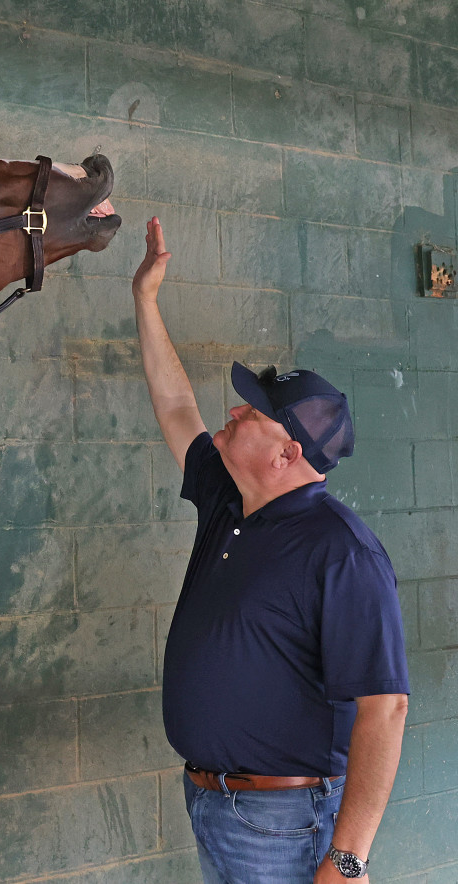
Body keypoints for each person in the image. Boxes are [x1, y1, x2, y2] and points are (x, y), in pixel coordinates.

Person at [132, 217, 410, 883]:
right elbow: (176, 408)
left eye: (249, 414)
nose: (230, 414)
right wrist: (144, 299)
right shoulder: (233, 502)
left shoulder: (342, 553)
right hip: (216, 803)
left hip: (287, 820)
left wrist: (348, 860)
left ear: (289, 452)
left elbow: (386, 707)